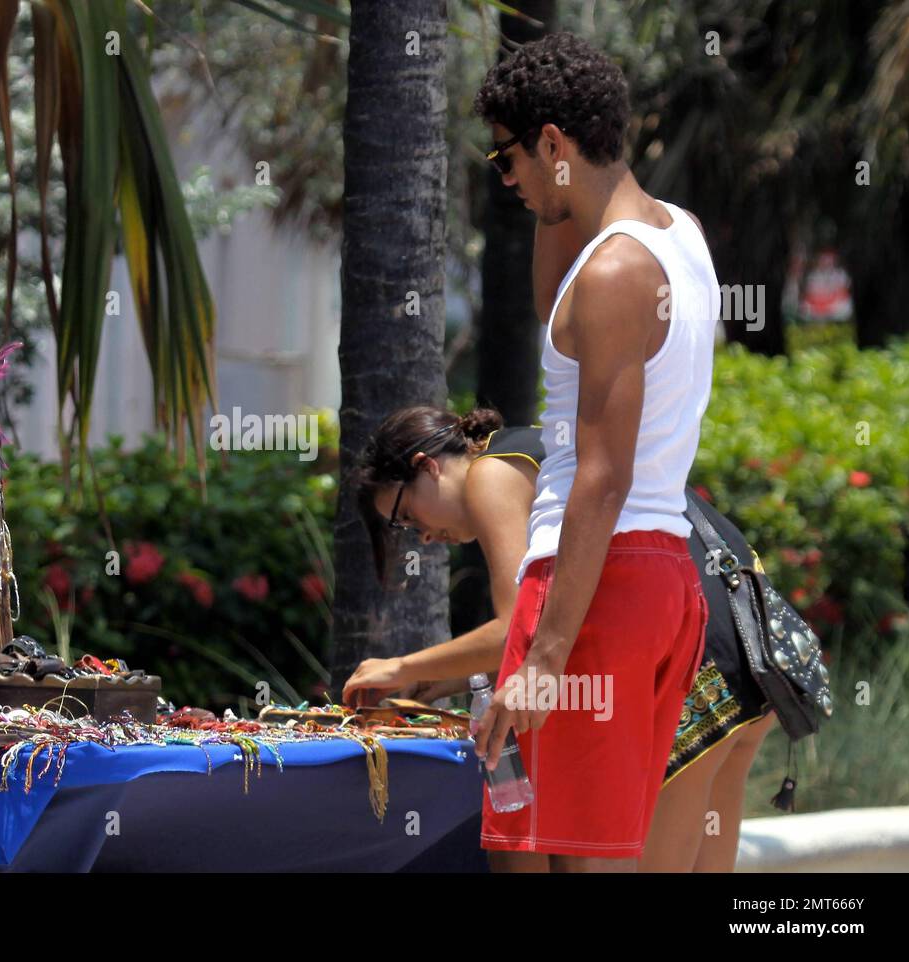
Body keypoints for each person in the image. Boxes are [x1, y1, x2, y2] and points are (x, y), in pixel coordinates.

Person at [371, 30, 724, 872]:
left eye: (509, 161)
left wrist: (546, 656)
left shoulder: (612, 277)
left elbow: (602, 476)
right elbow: (547, 302)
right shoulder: (681, 237)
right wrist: (552, 198)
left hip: (591, 582)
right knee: (589, 853)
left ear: (556, 145)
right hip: (660, 576)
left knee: (574, 863)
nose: (508, 182)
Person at [347, 404, 775, 872]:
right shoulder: (534, 448)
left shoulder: (488, 475)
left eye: (407, 515)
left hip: (677, 651)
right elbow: (548, 624)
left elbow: (519, 629)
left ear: (426, 466)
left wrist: (399, 667)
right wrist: (444, 681)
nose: (423, 538)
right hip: (745, 646)